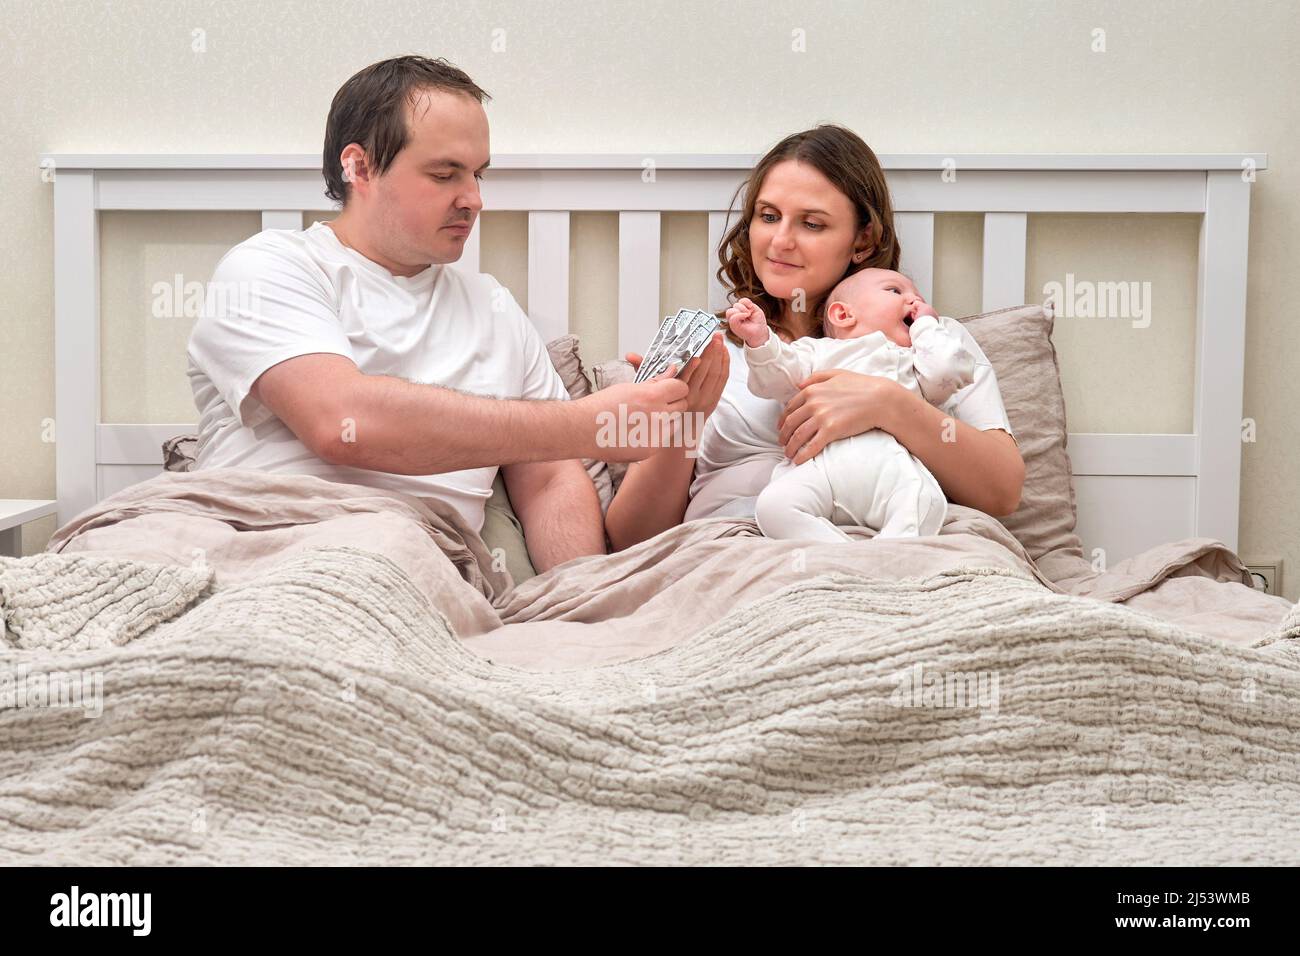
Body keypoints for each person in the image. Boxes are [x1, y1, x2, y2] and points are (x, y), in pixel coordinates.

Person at [186, 55, 687, 573]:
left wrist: (579, 603)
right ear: (358, 166)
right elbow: (340, 422)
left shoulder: (493, 306)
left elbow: (550, 479)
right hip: (259, 542)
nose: (473, 200)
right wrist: (585, 425)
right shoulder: (271, 267)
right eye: (445, 174)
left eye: (477, 175)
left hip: (415, 564)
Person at [604, 125, 1024, 551]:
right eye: (768, 217)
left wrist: (888, 405)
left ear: (863, 239)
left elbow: (1002, 491)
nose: (780, 241)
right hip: (736, 554)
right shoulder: (709, 352)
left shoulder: (929, 341)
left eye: (811, 223)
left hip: (891, 549)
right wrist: (684, 421)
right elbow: (632, 539)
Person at [725, 268, 977, 542]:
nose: (916, 301)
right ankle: (842, 552)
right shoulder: (816, 352)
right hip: (821, 470)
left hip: (892, 472)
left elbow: (948, 370)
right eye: (895, 291)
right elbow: (774, 379)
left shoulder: (914, 362)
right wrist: (761, 340)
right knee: (773, 506)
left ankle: (888, 553)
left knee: (925, 503)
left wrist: (927, 327)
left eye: (919, 297)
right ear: (843, 315)